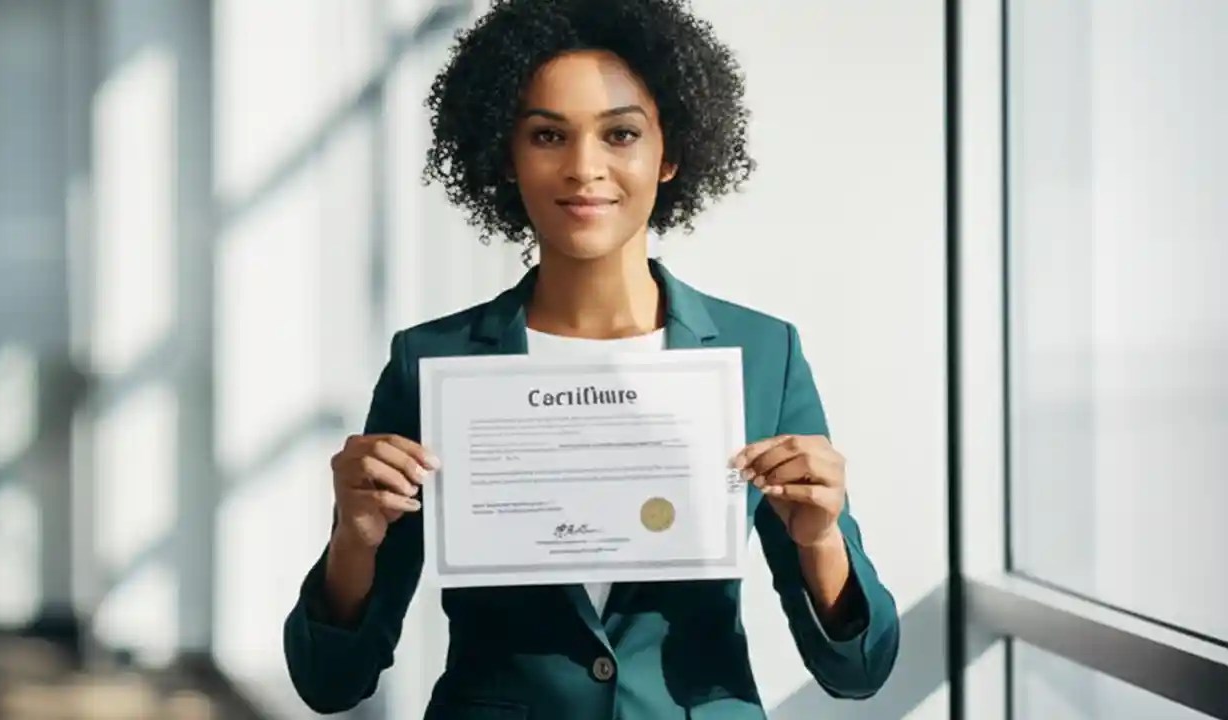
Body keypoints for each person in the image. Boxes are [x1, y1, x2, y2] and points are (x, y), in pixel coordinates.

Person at [283, 1, 899, 717]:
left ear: (670, 152)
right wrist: (355, 540)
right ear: (505, 156)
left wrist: (820, 541)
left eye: (621, 134)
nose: (584, 168)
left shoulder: (762, 354)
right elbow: (329, 683)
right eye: (548, 134)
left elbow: (858, 671)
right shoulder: (431, 364)